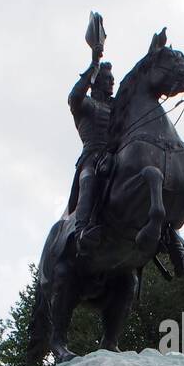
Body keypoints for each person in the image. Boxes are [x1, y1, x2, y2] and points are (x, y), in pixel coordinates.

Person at [67, 41, 114, 255]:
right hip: (91, 157)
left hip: (114, 157)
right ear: (98, 82)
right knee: (89, 180)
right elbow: (74, 97)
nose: (112, 83)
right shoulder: (85, 104)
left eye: (113, 80)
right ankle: (81, 233)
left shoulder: (115, 106)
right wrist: (94, 64)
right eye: (108, 80)